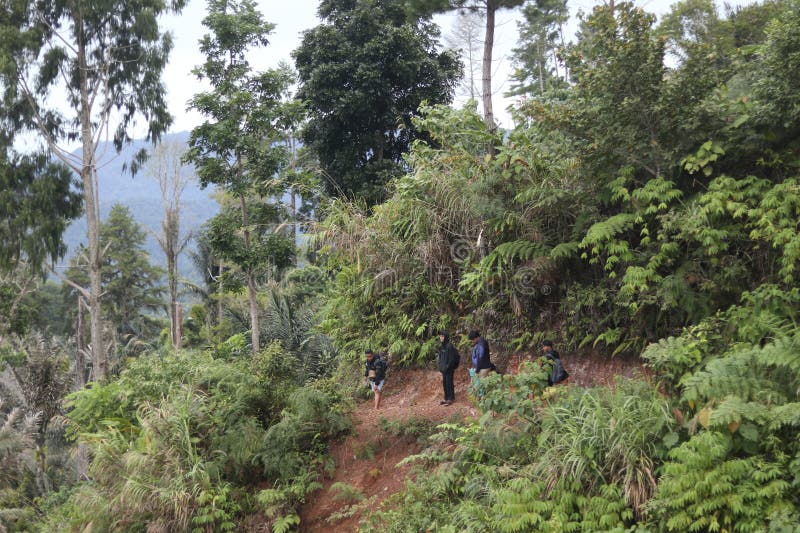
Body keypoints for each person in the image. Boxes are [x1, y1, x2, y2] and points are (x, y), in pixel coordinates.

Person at [437, 331, 460, 406]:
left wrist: (447, 367)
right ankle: (446, 398)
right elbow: (440, 358)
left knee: (449, 383)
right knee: (444, 383)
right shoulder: (441, 347)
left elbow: (452, 359)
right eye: (440, 336)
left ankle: (451, 398)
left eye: (442, 336)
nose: (441, 338)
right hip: (443, 369)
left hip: (449, 369)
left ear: (446, 337)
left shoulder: (449, 346)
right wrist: (440, 366)